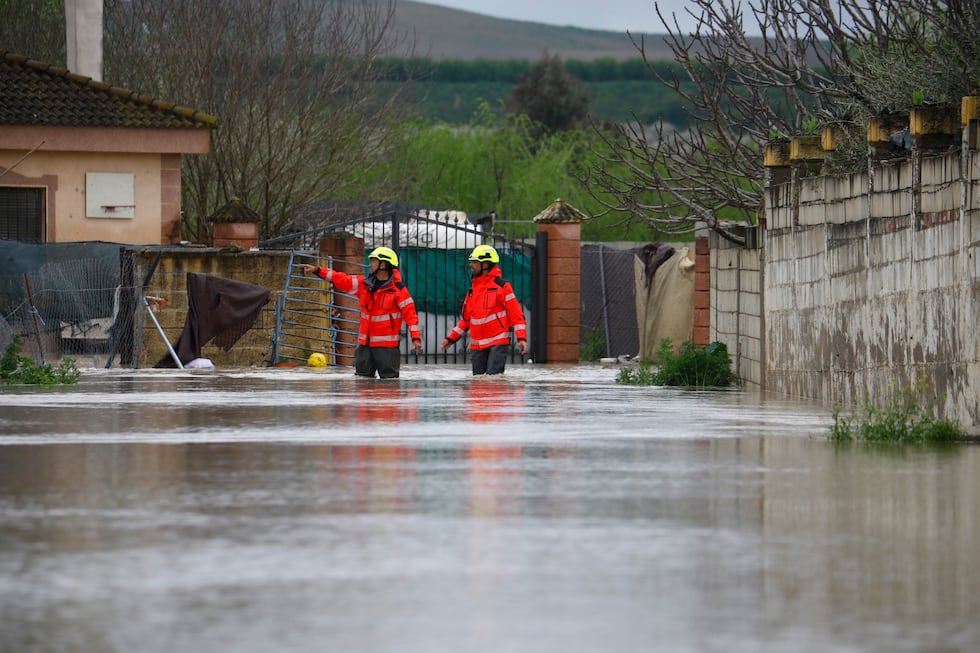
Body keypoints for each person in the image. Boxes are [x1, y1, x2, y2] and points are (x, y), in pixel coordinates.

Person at [301, 247, 422, 379]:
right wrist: (318, 271)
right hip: (365, 346)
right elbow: (342, 279)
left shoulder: (398, 290)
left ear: (384, 264)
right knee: (362, 383)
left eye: (374, 261)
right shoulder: (365, 285)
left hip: (387, 348)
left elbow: (410, 315)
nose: (370, 264)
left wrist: (415, 338)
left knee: (389, 387)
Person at [440, 244, 528, 375]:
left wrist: (521, 339)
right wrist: (451, 339)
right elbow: (466, 319)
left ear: (486, 265)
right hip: (477, 345)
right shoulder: (472, 290)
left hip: (498, 341)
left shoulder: (503, 287)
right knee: (478, 385)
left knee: (493, 382)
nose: (471, 265)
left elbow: (516, 315)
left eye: (475, 262)